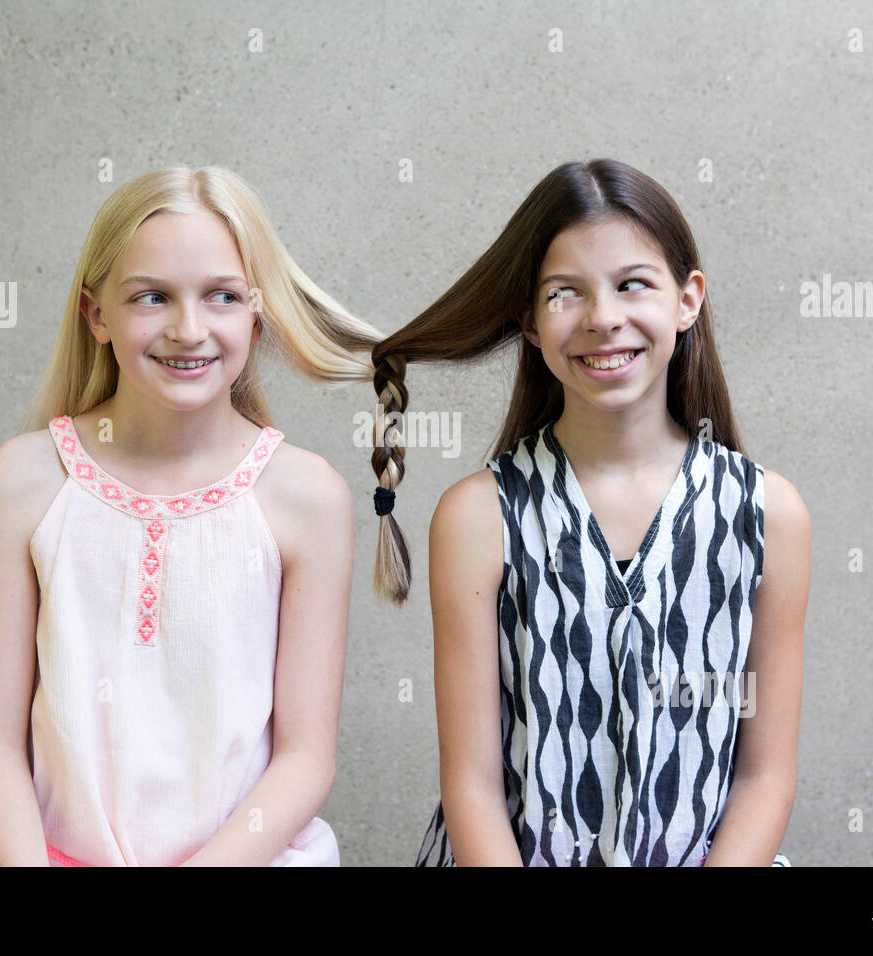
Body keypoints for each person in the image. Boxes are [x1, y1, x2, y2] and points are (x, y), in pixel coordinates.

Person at [369, 159, 809, 866]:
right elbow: (472, 788)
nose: (603, 318)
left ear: (687, 300)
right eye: (564, 293)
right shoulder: (478, 516)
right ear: (532, 324)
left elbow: (765, 777)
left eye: (633, 284)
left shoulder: (768, 515)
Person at [0, 165, 381, 866]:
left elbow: (304, 760)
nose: (188, 329)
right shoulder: (19, 483)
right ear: (97, 315)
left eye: (222, 297)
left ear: (255, 313)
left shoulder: (308, 499)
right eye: (151, 297)